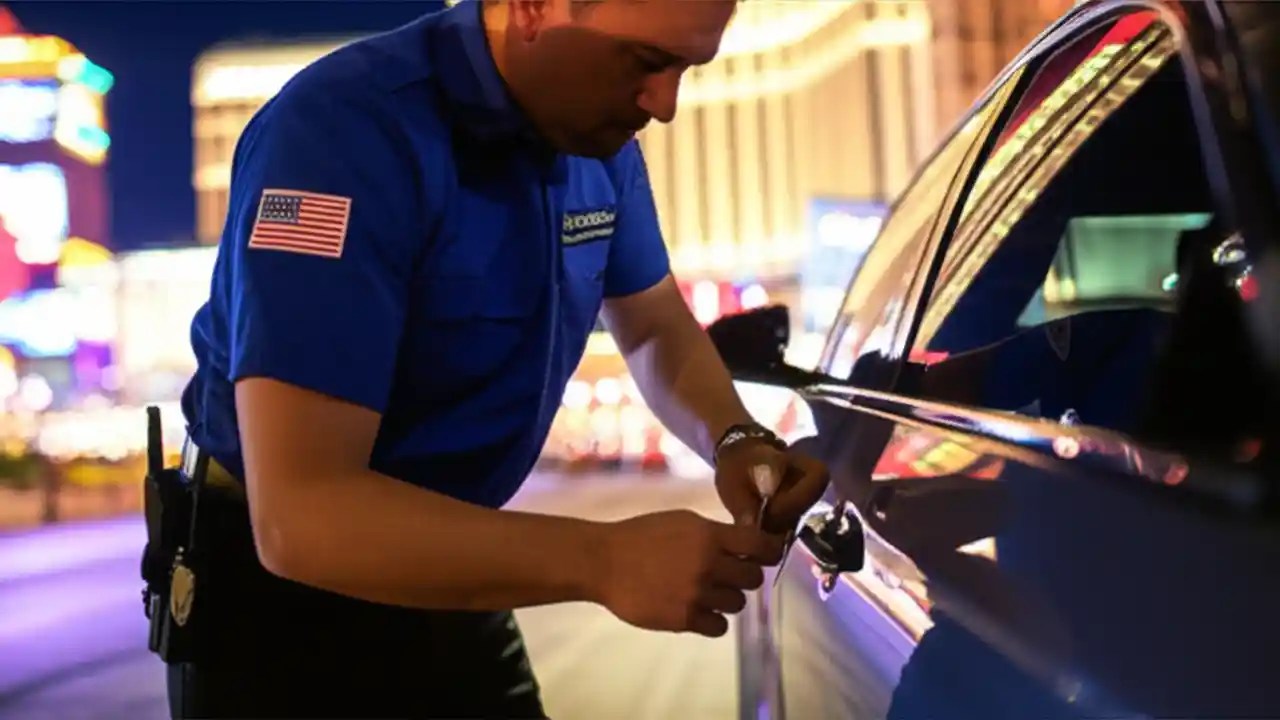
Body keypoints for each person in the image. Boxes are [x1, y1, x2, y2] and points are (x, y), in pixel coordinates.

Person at [167, 0, 830, 717]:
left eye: (687, 69)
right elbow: (303, 517)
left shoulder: (593, 140)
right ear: (533, 9)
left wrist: (736, 438)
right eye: (646, 63)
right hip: (285, 620)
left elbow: (655, 327)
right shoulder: (342, 135)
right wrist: (603, 561)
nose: (665, 105)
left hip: (457, 566)